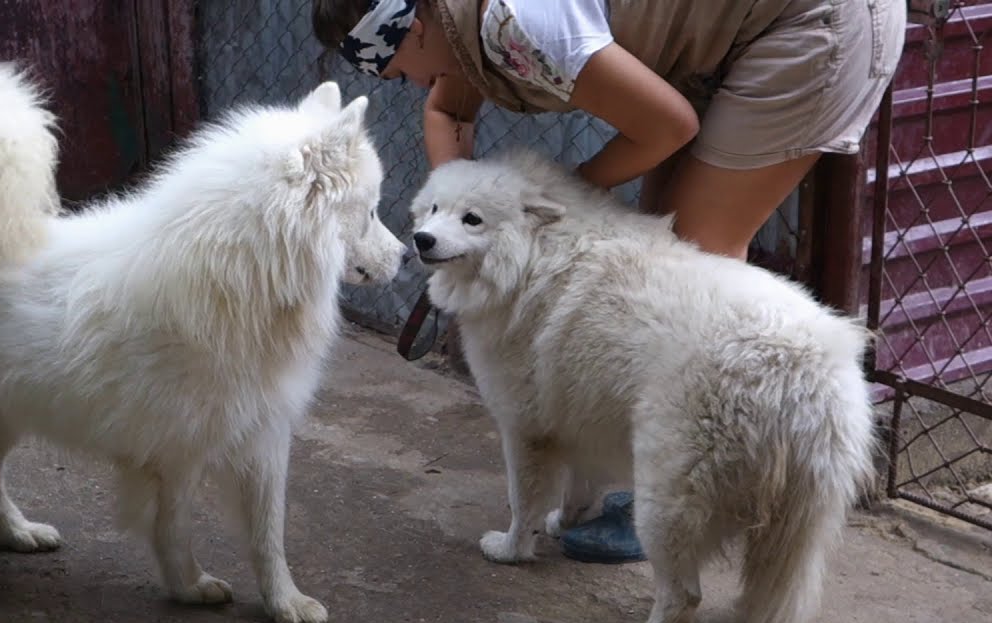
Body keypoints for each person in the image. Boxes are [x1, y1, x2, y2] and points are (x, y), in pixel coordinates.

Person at [313, 0, 905, 563]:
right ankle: (637, 482)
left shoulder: (511, 24)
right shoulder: (453, 23)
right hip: (736, 36)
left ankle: (692, 486)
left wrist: (554, 200)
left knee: (695, 250)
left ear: (411, 29)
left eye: (395, 73)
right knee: (658, 236)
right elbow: (449, 111)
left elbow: (668, 127)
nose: (412, 83)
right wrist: (455, 210)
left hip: (812, 26)